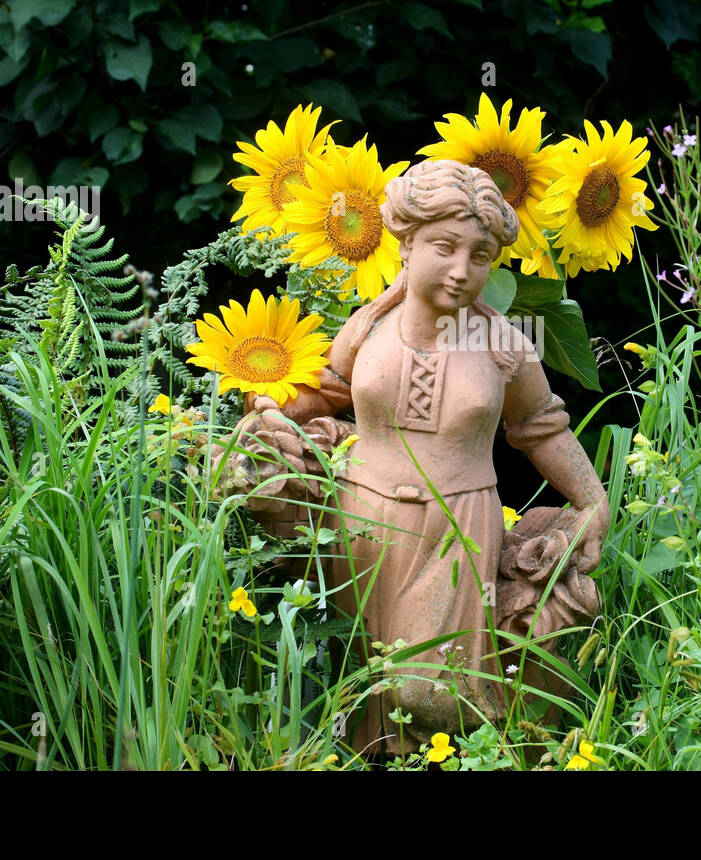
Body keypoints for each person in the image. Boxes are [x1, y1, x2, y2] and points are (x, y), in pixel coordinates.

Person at [225, 159, 609, 756]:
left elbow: (542, 429)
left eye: (479, 256)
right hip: (363, 522)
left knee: (430, 692)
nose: (461, 271)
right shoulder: (369, 324)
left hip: (456, 531)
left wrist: (592, 500)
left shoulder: (501, 343)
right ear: (405, 245)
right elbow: (326, 390)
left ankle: (495, 744)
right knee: (368, 688)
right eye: (444, 247)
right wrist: (272, 397)